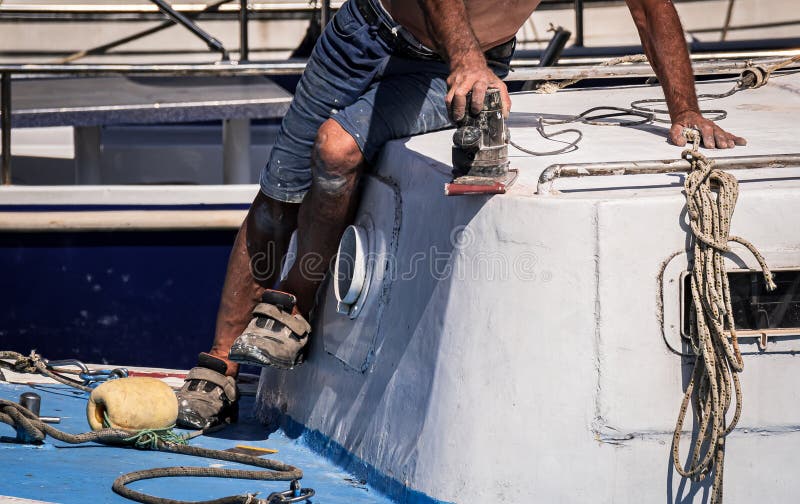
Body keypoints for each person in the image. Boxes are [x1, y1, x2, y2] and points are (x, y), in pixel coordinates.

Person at [175, 0, 746, 429]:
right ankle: (220, 368)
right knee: (277, 198)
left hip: (451, 66)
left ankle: (293, 307)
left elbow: (653, 11)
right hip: (365, 34)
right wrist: (465, 58)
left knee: (335, 150)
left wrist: (685, 111)